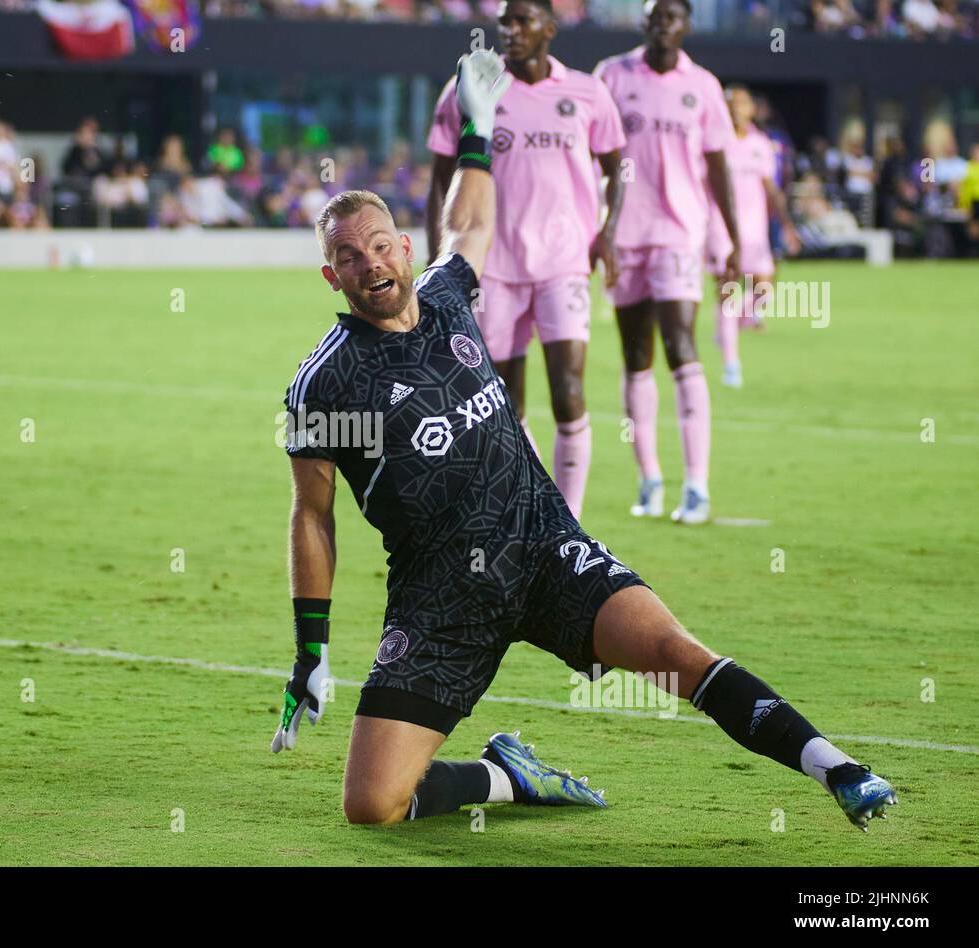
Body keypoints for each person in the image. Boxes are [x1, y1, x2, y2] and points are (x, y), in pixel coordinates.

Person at [271, 50, 897, 833]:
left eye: (379, 245)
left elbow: (469, 220)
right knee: (372, 807)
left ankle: (839, 768)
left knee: (677, 654)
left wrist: (477, 125)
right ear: (331, 277)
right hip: (440, 601)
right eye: (348, 257)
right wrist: (311, 650)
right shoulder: (324, 384)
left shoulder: (448, 293)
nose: (370, 264)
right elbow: (312, 516)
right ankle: (506, 777)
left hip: (543, 550)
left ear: (404, 246)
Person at [426, 0, 626, 519]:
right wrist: (437, 263)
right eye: (506, 22)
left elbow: (615, 166)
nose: (511, 31)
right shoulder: (471, 88)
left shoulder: (587, 92)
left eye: (523, 21)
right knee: (505, 407)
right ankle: (543, 515)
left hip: (564, 264)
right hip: (492, 268)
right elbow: (441, 181)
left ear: (550, 30)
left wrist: (608, 229)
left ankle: (570, 525)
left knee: (569, 390)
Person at [595, 0, 740, 525]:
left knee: (681, 345)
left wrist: (734, 241)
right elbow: (591, 155)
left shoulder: (702, 85)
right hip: (624, 234)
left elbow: (718, 163)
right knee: (636, 354)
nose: (662, 25)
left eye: (672, 18)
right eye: (654, 16)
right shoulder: (611, 75)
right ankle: (650, 477)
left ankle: (697, 485)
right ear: (644, 23)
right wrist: (598, 228)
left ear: (686, 27)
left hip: (680, 232)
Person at [705, 86, 800, 386]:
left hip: (755, 229)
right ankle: (731, 365)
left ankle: (734, 324)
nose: (736, 109)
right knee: (728, 289)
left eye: (742, 103)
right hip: (720, 227)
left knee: (764, 287)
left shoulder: (762, 144)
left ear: (751, 109)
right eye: (731, 103)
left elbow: (770, 187)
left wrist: (787, 225)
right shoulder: (715, 143)